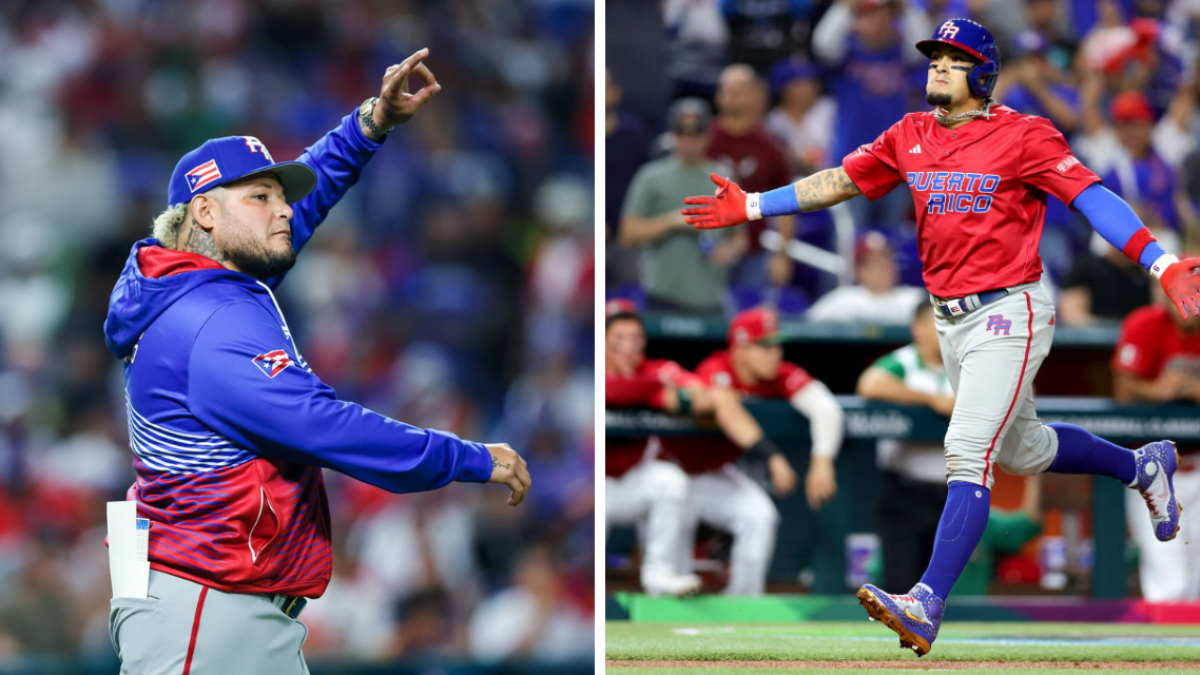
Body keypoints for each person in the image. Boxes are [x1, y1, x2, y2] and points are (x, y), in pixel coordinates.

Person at [681, 18, 1199, 656]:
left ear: (984, 73)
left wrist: (1159, 262)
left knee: (966, 449)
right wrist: (753, 206)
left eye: (954, 58)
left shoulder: (1025, 134)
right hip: (949, 317)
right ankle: (1141, 466)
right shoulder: (910, 133)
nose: (939, 65)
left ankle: (927, 601)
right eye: (934, 57)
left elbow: (1092, 199)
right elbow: (839, 181)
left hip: (1010, 308)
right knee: (1023, 450)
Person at [103, 50, 532, 674]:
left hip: (207, 592)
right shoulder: (209, 321)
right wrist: (464, 457)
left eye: (280, 198)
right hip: (203, 602)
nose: (283, 210)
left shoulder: (185, 284)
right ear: (205, 213)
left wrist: (368, 125)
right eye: (260, 196)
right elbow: (322, 427)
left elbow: (290, 215)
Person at [658, 307, 840, 595]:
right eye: (764, 347)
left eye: (776, 345)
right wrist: (774, 457)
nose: (774, 354)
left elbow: (826, 408)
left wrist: (822, 459)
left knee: (759, 516)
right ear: (740, 349)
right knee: (673, 576)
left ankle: (742, 605)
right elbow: (727, 409)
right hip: (669, 473)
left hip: (711, 474)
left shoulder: (777, 374)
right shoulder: (716, 369)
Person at [856, 301, 955, 592]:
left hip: (953, 494)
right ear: (918, 329)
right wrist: (932, 400)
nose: (947, 331)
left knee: (938, 589)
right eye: (938, 324)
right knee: (900, 583)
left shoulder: (964, 361)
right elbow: (869, 384)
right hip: (906, 492)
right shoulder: (904, 361)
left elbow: (1021, 389)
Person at [1112, 288, 1200, 601]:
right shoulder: (1145, 324)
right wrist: (1157, 391)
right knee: (1170, 585)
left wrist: (1192, 388)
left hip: (1197, 461)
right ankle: (1162, 632)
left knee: (1195, 585)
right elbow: (1122, 390)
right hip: (1153, 467)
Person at [620, 98, 744, 313]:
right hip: (662, 294)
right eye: (681, 131)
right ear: (672, 134)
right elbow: (627, 234)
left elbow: (740, 237)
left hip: (710, 295)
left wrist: (729, 250)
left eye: (697, 131)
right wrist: (672, 221)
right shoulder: (651, 176)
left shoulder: (724, 178)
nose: (689, 138)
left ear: (709, 134)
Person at [708, 64, 797, 288]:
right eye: (725, 89)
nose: (730, 95)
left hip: (753, 251)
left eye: (738, 89)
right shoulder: (703, 140)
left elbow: (787, 203)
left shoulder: (770, 146)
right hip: (707, 248)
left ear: (756, 96)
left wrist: (782, 254)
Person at [806, 231, 926, 324]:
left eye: (886, 260)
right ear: (858, 271)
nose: (883, 268)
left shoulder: (914, 299)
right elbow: (806, 326)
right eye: (874, 264)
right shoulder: (842, 299)